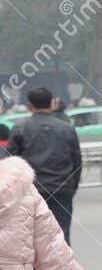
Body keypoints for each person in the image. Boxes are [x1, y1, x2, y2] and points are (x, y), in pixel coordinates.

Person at [9, 88, 82, 244]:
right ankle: (60, 266)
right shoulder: (67, 128)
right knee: (61, 232)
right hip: (61, 187)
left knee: (31, 235)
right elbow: (77, 160)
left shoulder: (19, 128)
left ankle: (33, 267)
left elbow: (11, 163)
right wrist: (72, 186)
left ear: (29, 105)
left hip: (31, 190)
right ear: (51, 104)